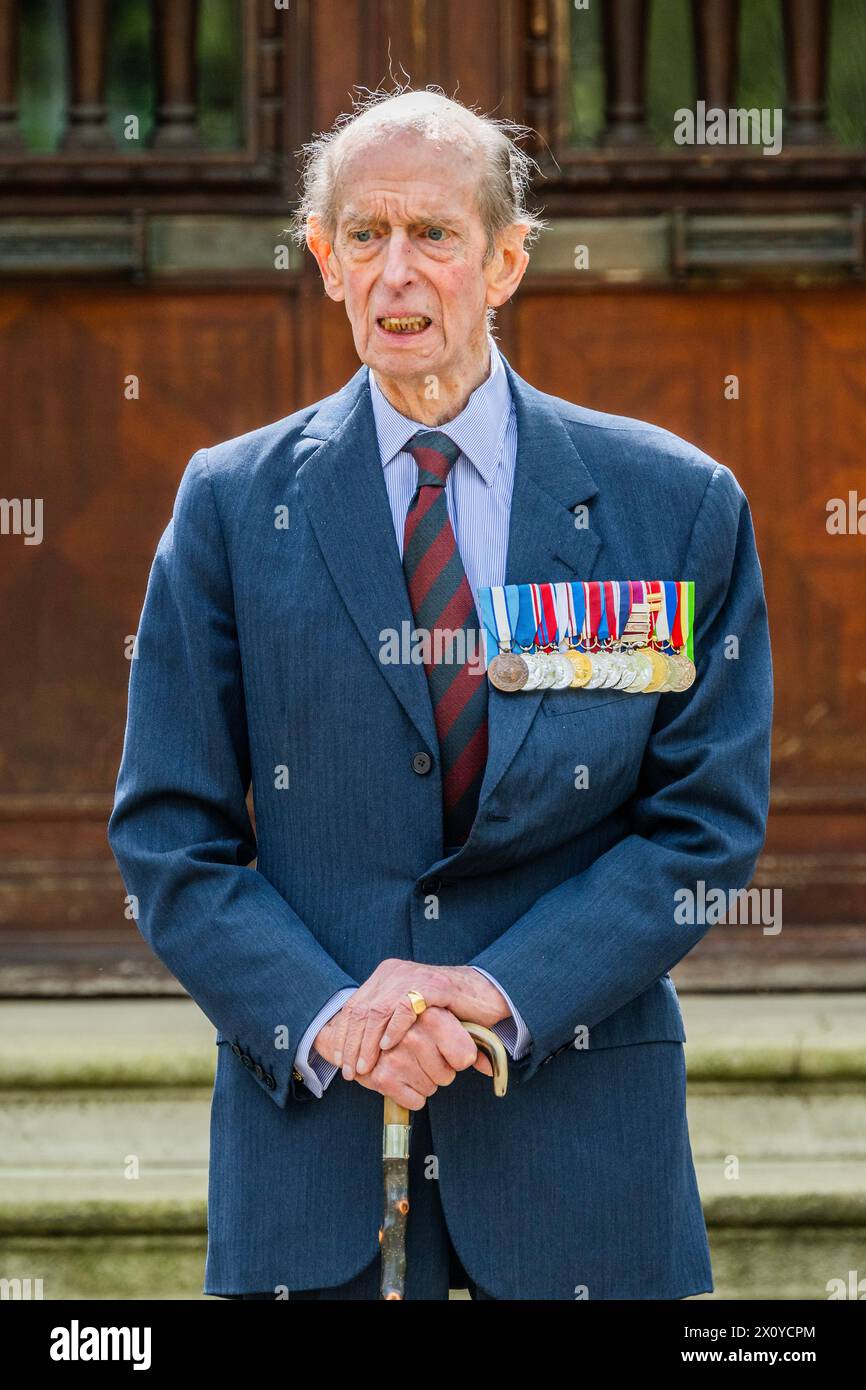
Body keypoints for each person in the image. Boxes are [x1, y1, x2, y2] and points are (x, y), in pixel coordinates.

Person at [108, 88, 773, 1300]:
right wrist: (329, 1015)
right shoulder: (226, 505)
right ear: (322, 259)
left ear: (507, 261)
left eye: (434, 236)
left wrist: (493, 989)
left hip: (585, 1155)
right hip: (310, 1165)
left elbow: (700, 822)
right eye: (363, 236)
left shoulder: (668, 505)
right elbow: (170, 833)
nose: (395, 273)